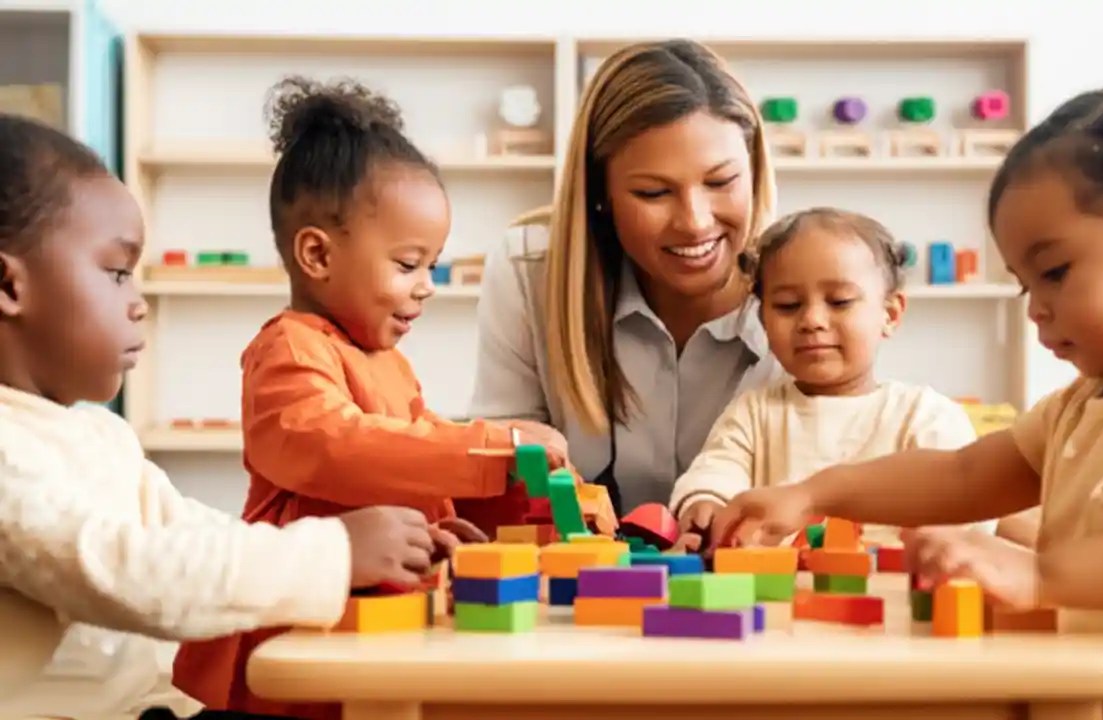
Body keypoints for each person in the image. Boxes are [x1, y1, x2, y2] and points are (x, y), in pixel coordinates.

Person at [712, 80, 1103, 719]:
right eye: (1022, 285)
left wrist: (1042, 577)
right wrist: (816, 493)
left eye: (1056, 272)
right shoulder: (1079, 407)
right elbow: (961, 474)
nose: (1036, 308)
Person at [0, 113, 450, 720]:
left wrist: (400, 544)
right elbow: (131, 573)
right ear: (8, 284)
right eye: (116, 273)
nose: (138, 303)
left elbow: (195, 536)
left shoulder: (99, 434)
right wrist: (333, 551)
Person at [170, 77, 560, 720]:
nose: (427, 286)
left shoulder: (390, 364)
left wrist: (468, 506)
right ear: (317, 254)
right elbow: (333, 448)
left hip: (374, 619)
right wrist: (494, 444)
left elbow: (420, 451)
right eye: (409, 265)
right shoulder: (289, 350)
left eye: (432, 267)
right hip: (293, 630)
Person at [463, 39, 784, 526]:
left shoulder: (807, 286)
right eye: (654, 192)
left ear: (755, 171)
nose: (695, 222)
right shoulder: (529, 267)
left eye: (721, 183)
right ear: (599, 194)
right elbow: (505, 478)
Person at [668, 207, 990, 551]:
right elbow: (717, 469)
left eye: (839, 301)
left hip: (894, 590)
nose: (812, 320)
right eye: (788, 305)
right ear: (763, 321)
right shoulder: (754, 411)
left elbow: (969, 503)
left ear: (890, 314)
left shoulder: (923, 415)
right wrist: (705, 503)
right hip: (775, 592)